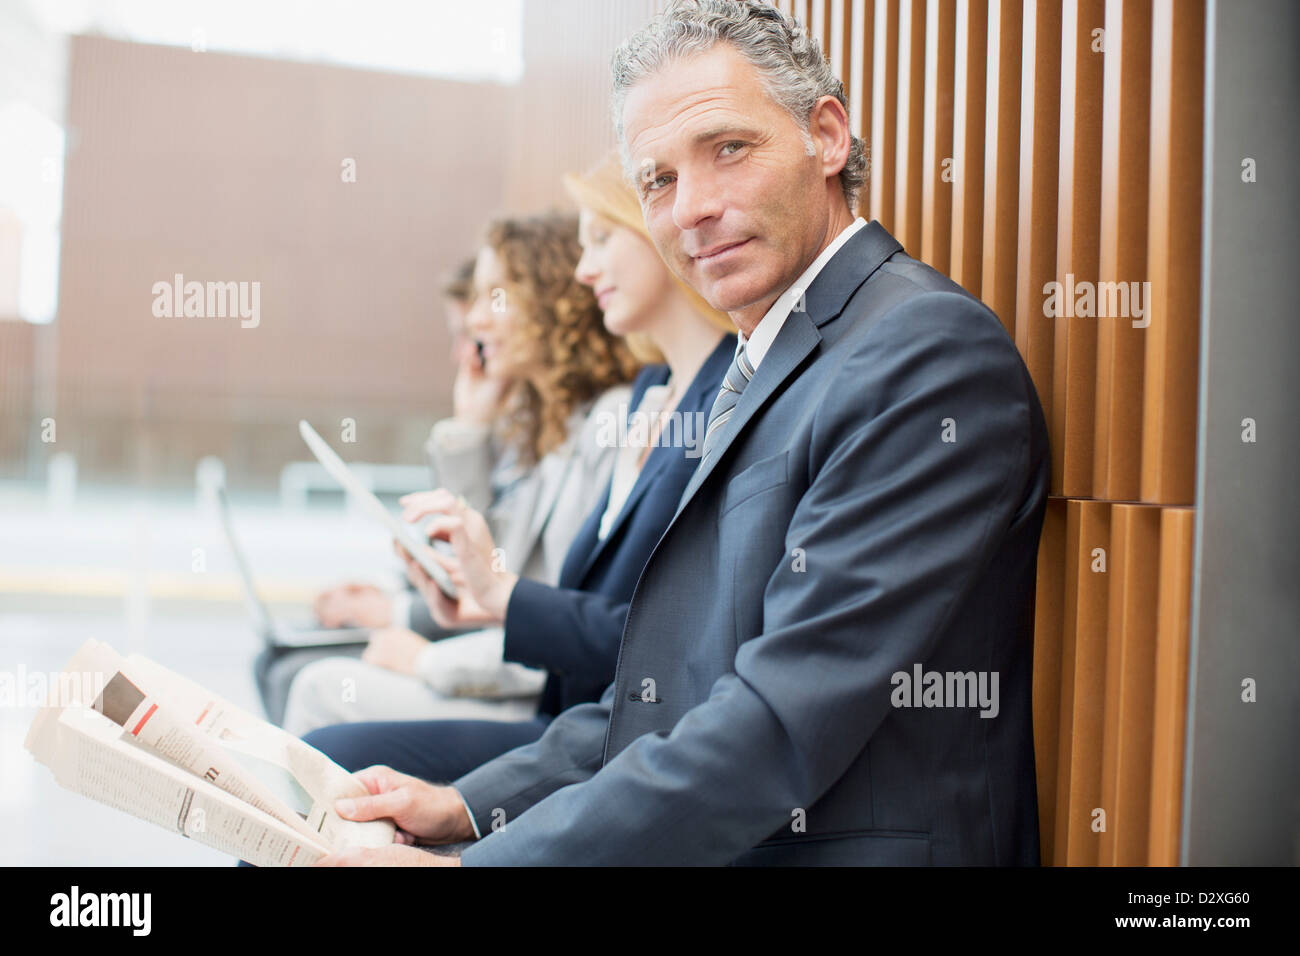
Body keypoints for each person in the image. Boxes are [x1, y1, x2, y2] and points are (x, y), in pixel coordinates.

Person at [319, 0, 1049, 867]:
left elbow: (777, 725)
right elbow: (671, 694)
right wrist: (469, 809)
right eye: (658, 181)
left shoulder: (922, 354)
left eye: (728, 150)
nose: (692, 208)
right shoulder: (771, 358)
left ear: (827, 136)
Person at [299, 149, 737, 779]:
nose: (587, 272)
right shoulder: (649, 394)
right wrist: (485, 598)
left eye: (603, 240)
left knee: (322, 733)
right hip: (571, 705)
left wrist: (489, 604)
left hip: (600, 728)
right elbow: (568, 592)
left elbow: (663, 637)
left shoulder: (711, 401)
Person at [281, 213, 639, 735]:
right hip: (509, 669)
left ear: (554, 301)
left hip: (547, 699)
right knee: (296, 666)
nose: (475, 321)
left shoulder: (607, 422)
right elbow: (486, 571)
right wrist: (470, 428)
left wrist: (428, 663)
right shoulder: (545, 418)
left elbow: (544, 613)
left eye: (496, 296)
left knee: (316, 687)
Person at [253, 259, 485, 726]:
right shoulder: (493, 425)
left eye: (475, 339)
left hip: (470, 647)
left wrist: (392, 611)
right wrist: (383, 592)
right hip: (452, 628)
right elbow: (452, 559)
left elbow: (495, 577)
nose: (462, 355)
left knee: (294, 675)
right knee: (275, 658)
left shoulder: (534, 441)